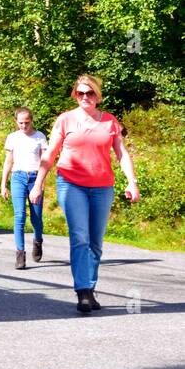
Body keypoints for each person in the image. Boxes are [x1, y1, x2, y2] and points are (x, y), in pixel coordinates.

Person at [29, 74, 140, 314]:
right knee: (80, 237)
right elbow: (50, 155)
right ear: (75, 96)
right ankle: (83, 291)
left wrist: (132, 182)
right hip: (71, 184)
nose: (85, 97)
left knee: (96, 242)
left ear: (98, 96)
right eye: (80, 93)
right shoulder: (66, 120)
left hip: (102, 187)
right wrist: (38, 183)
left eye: (90, 93)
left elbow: (122, 154)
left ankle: (90, 286)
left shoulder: (110, 122)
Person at [0, 108, 46, 269]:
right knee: (19, 215)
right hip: (18, 177)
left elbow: (44, 162)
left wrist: (40, 183)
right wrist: (3, 184)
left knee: (36, 217)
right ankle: (20, 254)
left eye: (27, 122)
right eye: (21, 123)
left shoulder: (40, 137)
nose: (24, 126)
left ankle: (38, 240)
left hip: (34, 178)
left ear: (32, 120)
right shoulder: (12, 138)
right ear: (16, 122)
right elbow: (8, 161)